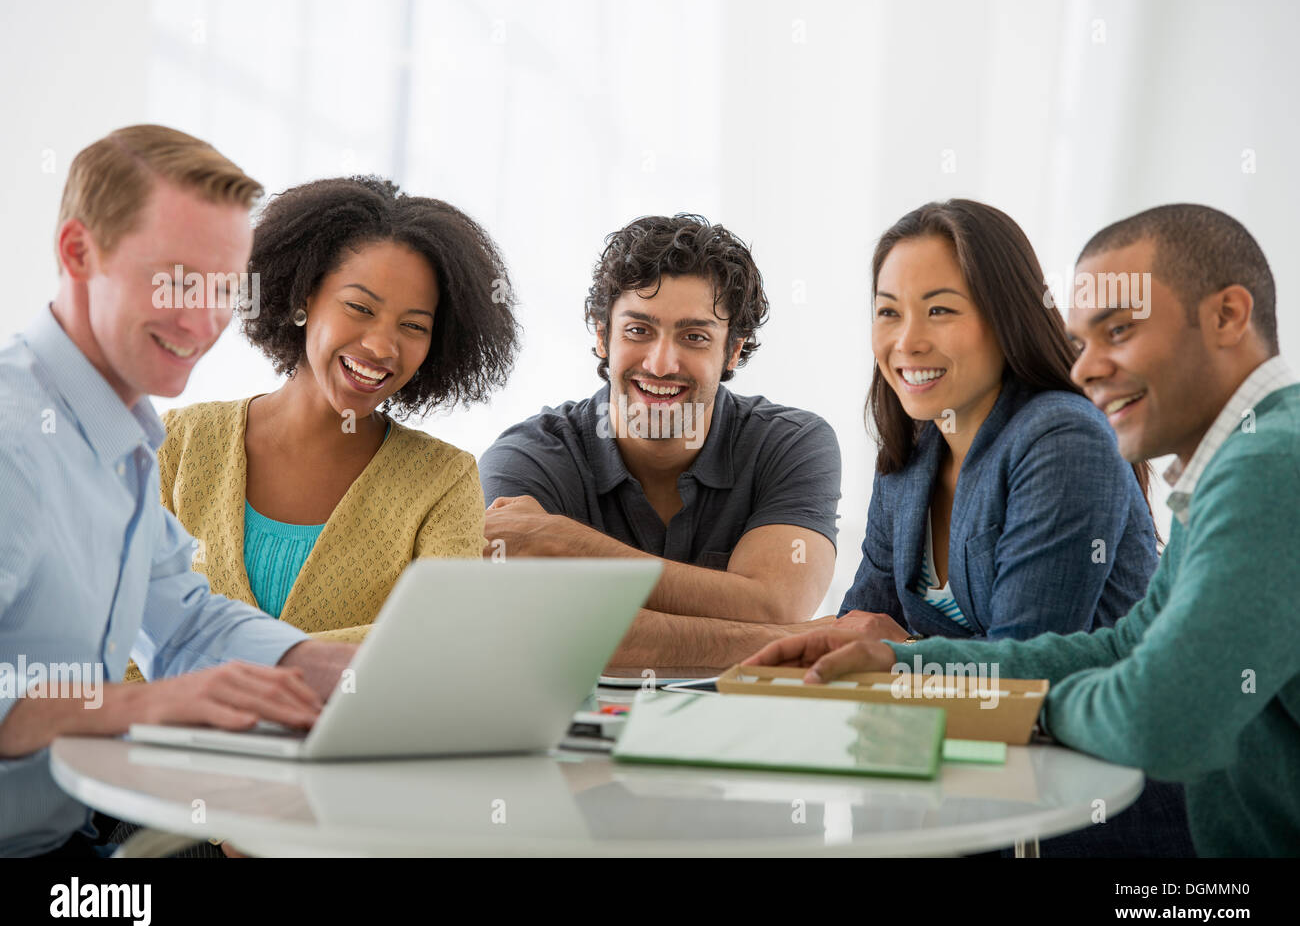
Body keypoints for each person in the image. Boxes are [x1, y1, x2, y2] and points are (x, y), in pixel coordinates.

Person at [747, 203, 1299, 857]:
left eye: (1118, 329)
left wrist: (1020, 703)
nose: (1086, 367)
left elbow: (1161, 717)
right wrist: (907, 663)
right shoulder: (1232, 463)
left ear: (1227, 317)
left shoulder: (1268, 463)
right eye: (1082, 338)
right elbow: (1122, 646)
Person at [0, 124, 354, 857]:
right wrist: (144, 705)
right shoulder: (14, 440)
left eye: (223, 288)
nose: (201, 322)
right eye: (175, 280)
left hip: (68, 839)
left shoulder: (118, 429)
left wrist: (318, 669)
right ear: (78, 252)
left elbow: (182, 618)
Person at [124, 177, 516, 678]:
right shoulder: (177, 442)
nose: (381, 346)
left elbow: (442, 635)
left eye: (413, 326)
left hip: (348, 752)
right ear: (304, 297)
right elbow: (120, 632)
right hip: (173, 747)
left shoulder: (444, 479)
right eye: (360, 308)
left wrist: (221, 655)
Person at [478, 214, 842, 668]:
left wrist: (571, 544)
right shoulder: (527, 458)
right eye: (638, 330)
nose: (661, 363)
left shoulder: (791, 443)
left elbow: (776, 607)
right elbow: (537, 634)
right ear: (601, 335)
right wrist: (783, 639)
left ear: (732, 350)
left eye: (694, 337)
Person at [838, 199, 1157, 644]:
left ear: (1007, 317)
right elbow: (856, 628)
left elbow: (1021, 668)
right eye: (889, 312)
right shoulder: (912, 446)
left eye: (940, 311)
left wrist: (901, 652)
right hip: (946, 713)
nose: (907, 342)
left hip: (1075, 714)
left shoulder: (1063, 439)